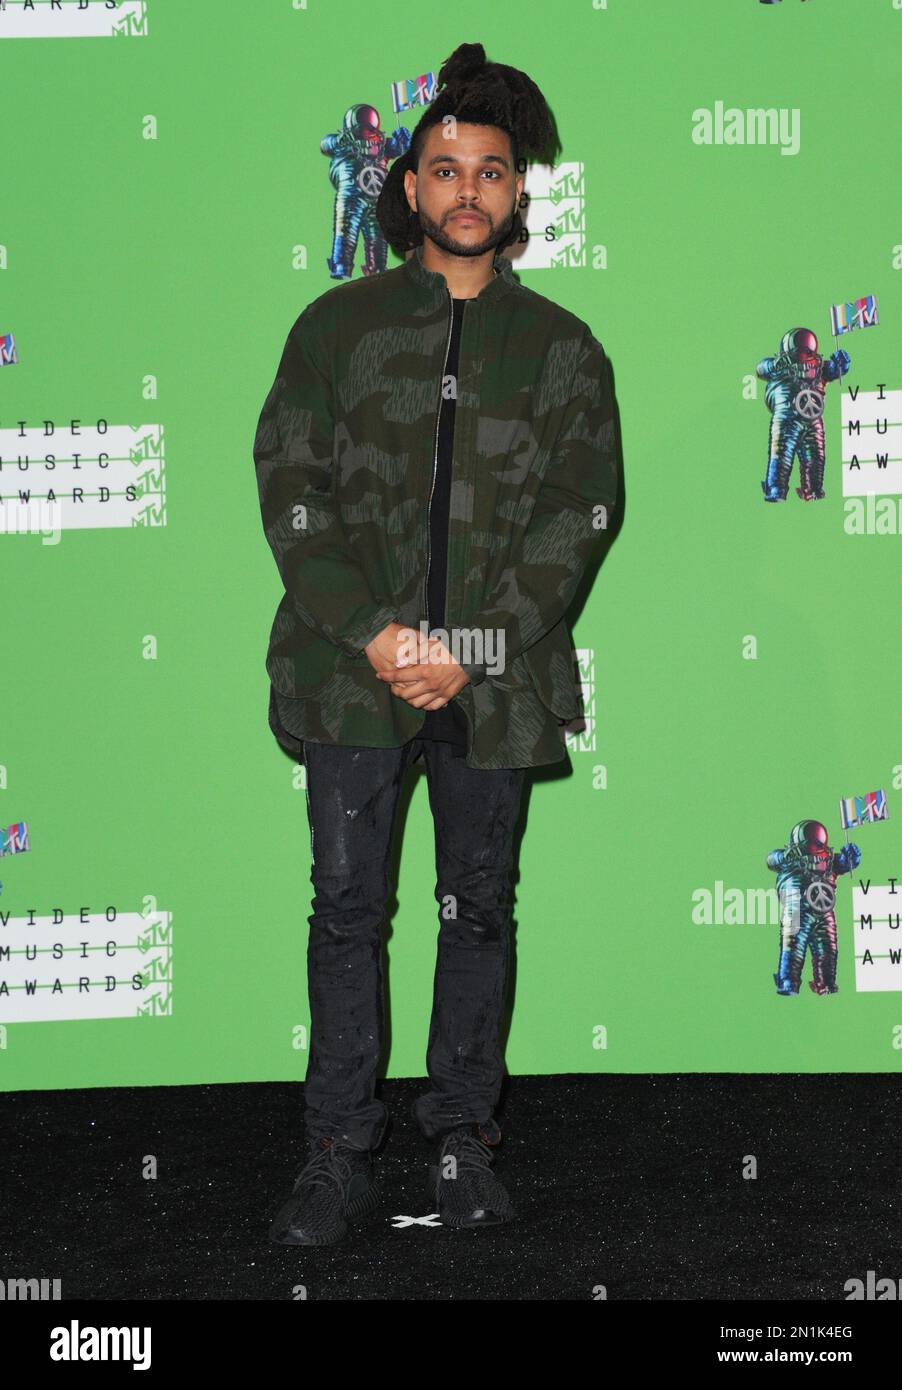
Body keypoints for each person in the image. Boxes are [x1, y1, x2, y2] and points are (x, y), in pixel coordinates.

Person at [253, 42, 619, 1246]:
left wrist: (466, 645)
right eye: (444, 168)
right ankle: (335, 1153)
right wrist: (373, 631)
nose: (468, 190)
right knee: (346, 911)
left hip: (493, 683)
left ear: (518, 194)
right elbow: (290, 488)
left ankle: (461, 1145)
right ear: (408, 187)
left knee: (478, 908)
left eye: (492, 171)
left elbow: (580, 514)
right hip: (346, 677)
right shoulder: (335, 329)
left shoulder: (564, 351)